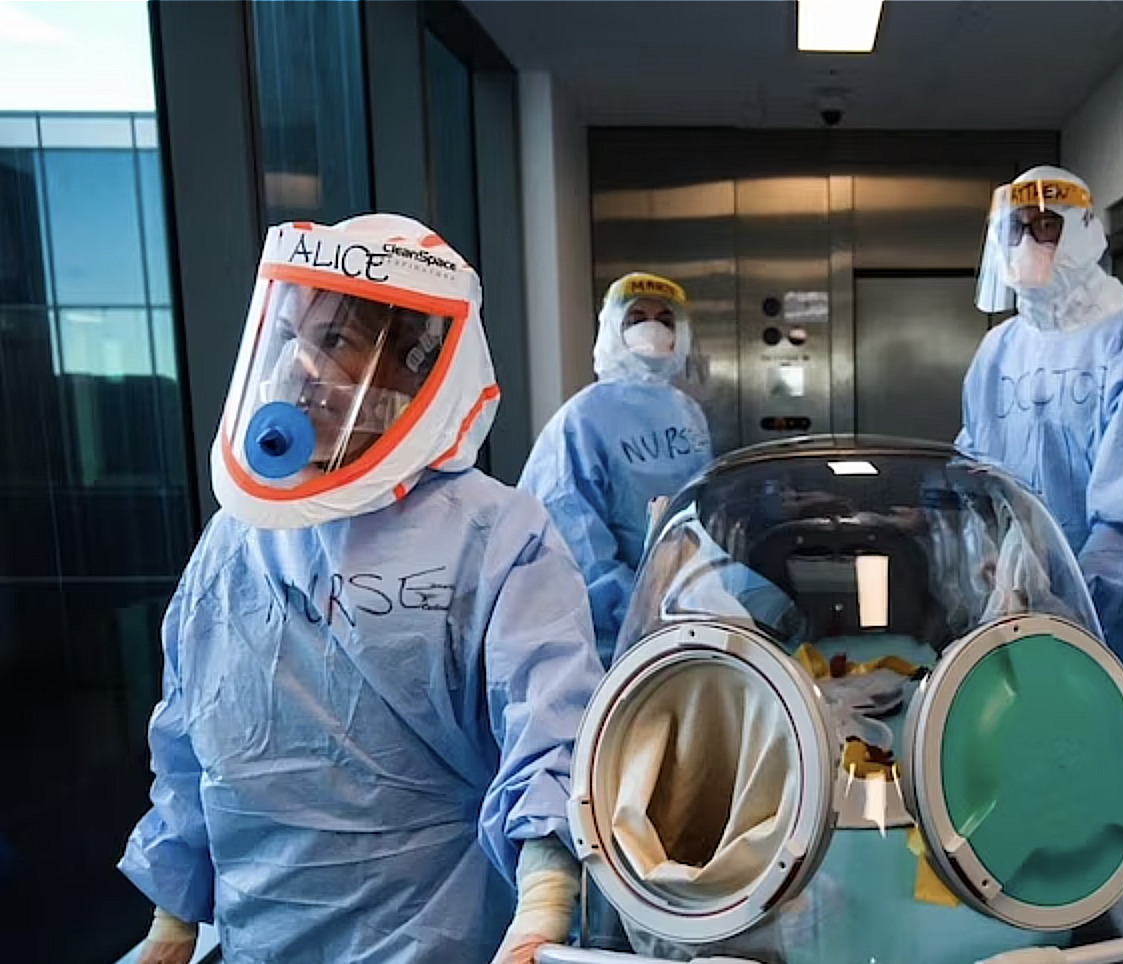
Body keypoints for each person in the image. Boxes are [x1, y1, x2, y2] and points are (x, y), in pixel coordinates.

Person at [119, 214, 602, 964]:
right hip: (260, 939)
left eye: (335, 341)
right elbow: (190, 740)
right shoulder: (233, 540)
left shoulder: (498, 535)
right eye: (292, 339)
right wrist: (172, 921)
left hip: (441, 932)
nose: (300, 368)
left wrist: (543, 899)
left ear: (416, 364)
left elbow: (551, 733)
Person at [959, 165, 1123, 669]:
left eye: (1046, 225)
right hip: (1008, 620)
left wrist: (1063, 599)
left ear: (1081, 228)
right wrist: (985, 561)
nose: (1029, 241)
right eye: (1017, 227)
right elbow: (973, 477)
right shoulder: (997, 351)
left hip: (1110, 634)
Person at [519, 272, 714, 665]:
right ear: (611, 328)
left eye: (665, 319)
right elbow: (577, 542)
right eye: (636, 317)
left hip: (680, 616)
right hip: (605, 637)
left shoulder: (688, 413)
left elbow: (703, 508)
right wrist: (639, 612)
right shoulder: (582, 419)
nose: (653, 328)